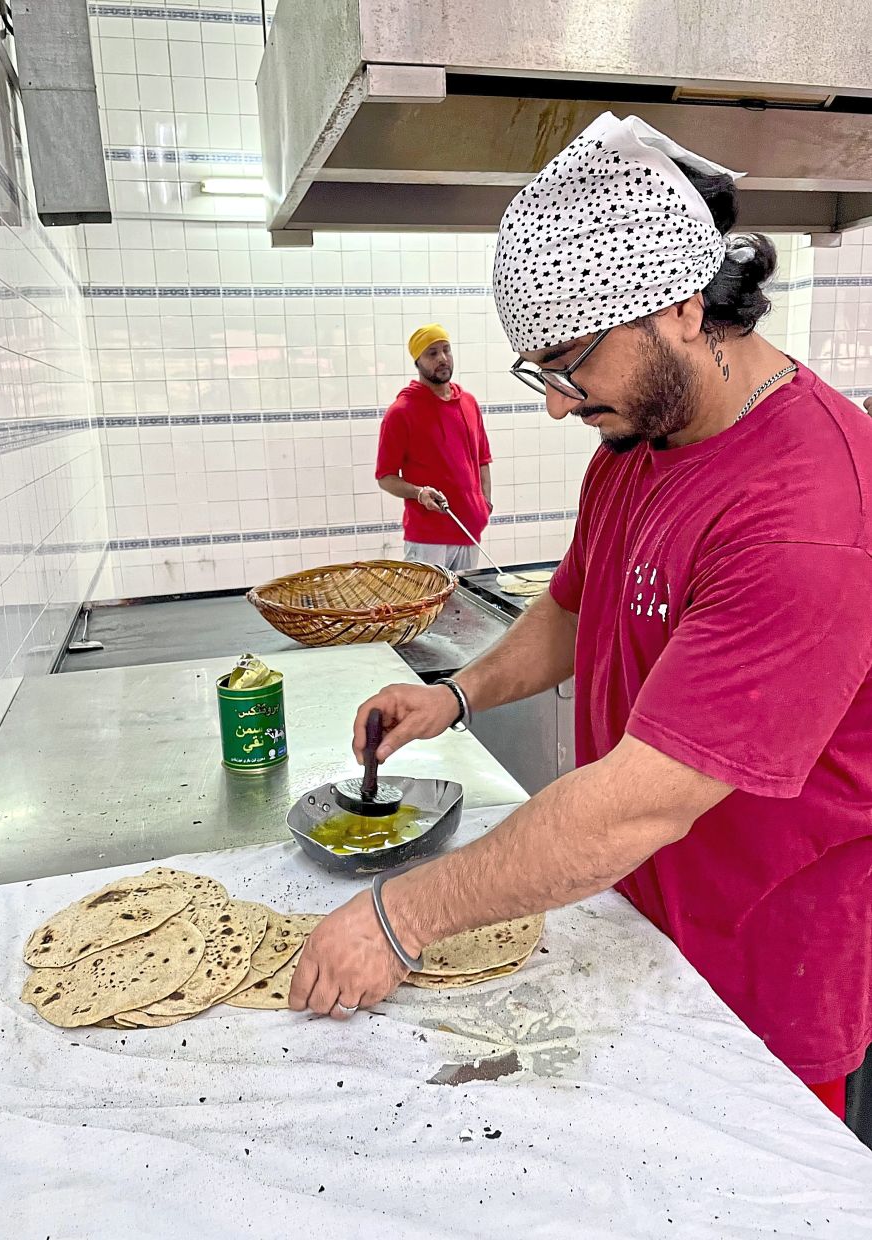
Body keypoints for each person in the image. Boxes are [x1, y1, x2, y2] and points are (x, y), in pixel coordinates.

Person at [290, 113, 872, 1128]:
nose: (557, 405)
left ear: (685, 306)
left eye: (570, 363)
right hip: (632, 923)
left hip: (761, 979)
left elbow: (645, 801)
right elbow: (573, 606)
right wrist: (455, 696)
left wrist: (399, 915)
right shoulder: (637, 444)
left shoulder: (807, 506)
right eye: (540, 372)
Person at [375, 324, 492, 572]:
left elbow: (482, 460)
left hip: (469, 531)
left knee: (465, 608)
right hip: (428, 538)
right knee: (425, 609)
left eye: (446, 350)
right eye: (432, 353)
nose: (442, 358)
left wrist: (485, 503)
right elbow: (385, 478)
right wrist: (419, 493)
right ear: (417, 361)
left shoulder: (469, 403)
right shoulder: (401, 412)